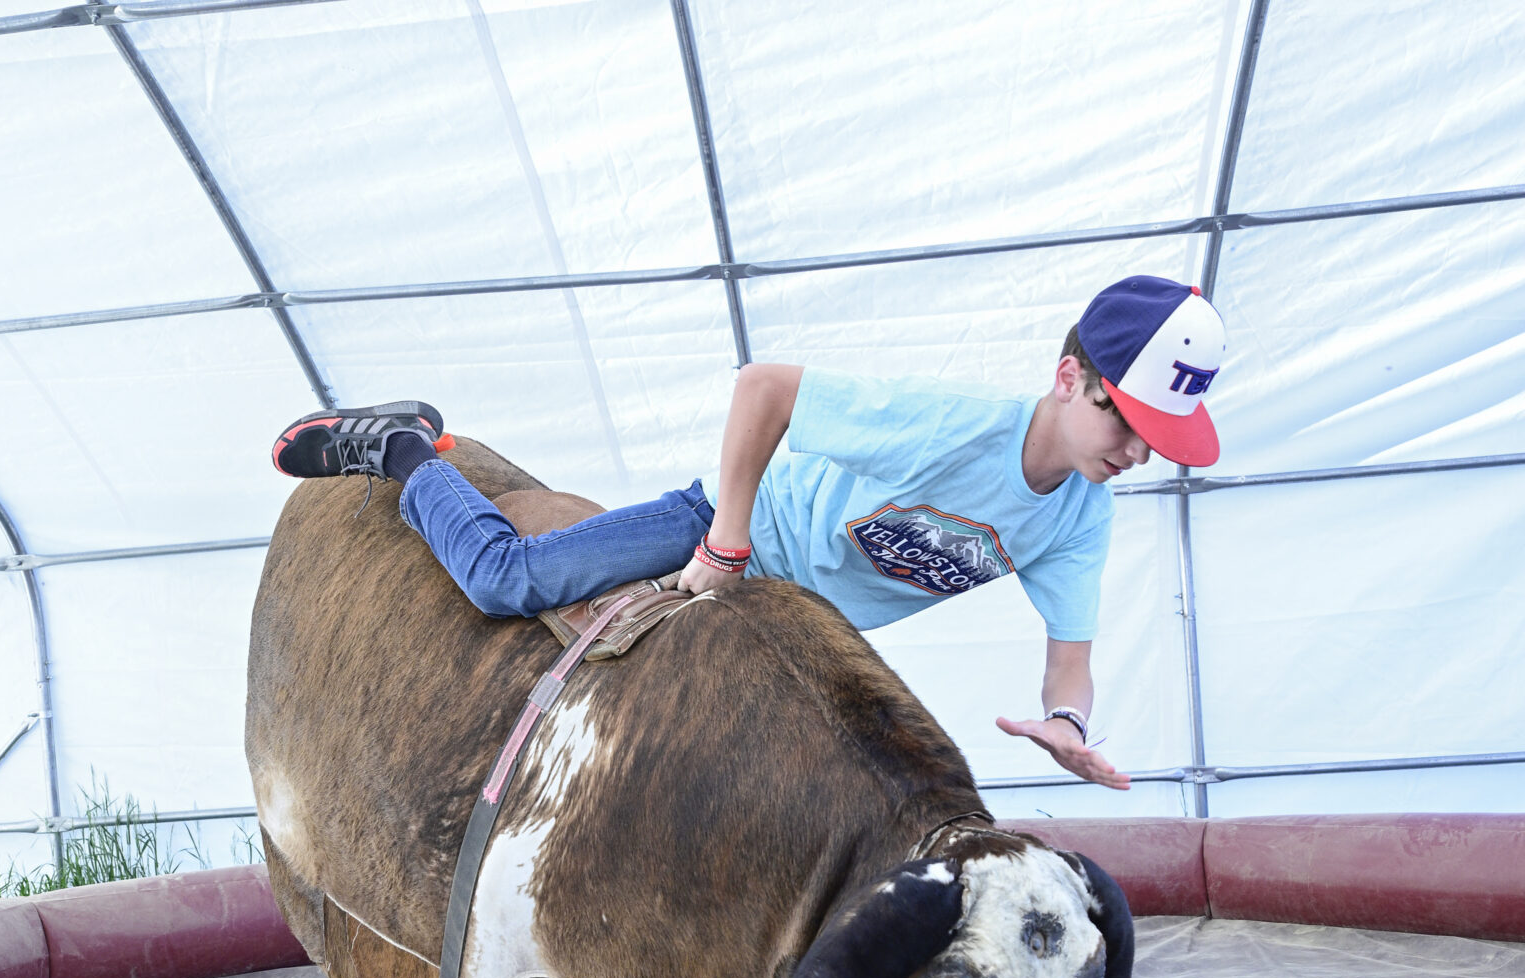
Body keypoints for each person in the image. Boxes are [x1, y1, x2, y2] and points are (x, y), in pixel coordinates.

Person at [271, 275, 1225, 791]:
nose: (1137, 451)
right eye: (1124, 420)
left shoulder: (1079, 518)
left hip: (801, 619)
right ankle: (403, 450)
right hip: (731, 532)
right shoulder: (954, 426)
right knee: (506, 583)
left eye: (1156, 440)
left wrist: (1066, 724)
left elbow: (1070, 659)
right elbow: (762, 389)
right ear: (1068, 378)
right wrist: (724, 542)